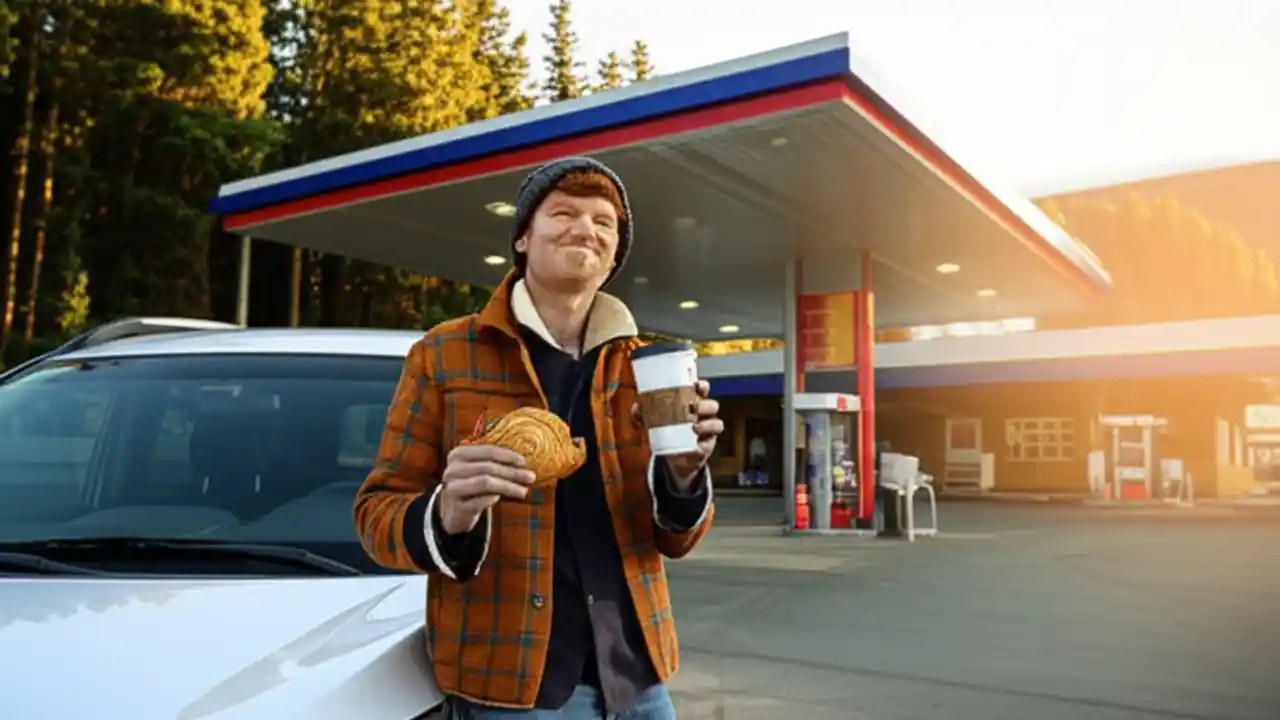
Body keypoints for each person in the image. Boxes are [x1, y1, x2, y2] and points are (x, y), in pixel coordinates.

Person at [353, 156, 722, 719]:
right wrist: (449, 512)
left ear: (614, 254)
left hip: (640, 681)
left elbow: (674, 539)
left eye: (604, 222)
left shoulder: (644, 367)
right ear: (523, 238)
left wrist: (684, 476)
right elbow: (376, 513)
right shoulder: (444, 354)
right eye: (564, 213)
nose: (586, 229)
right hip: (513, 687)